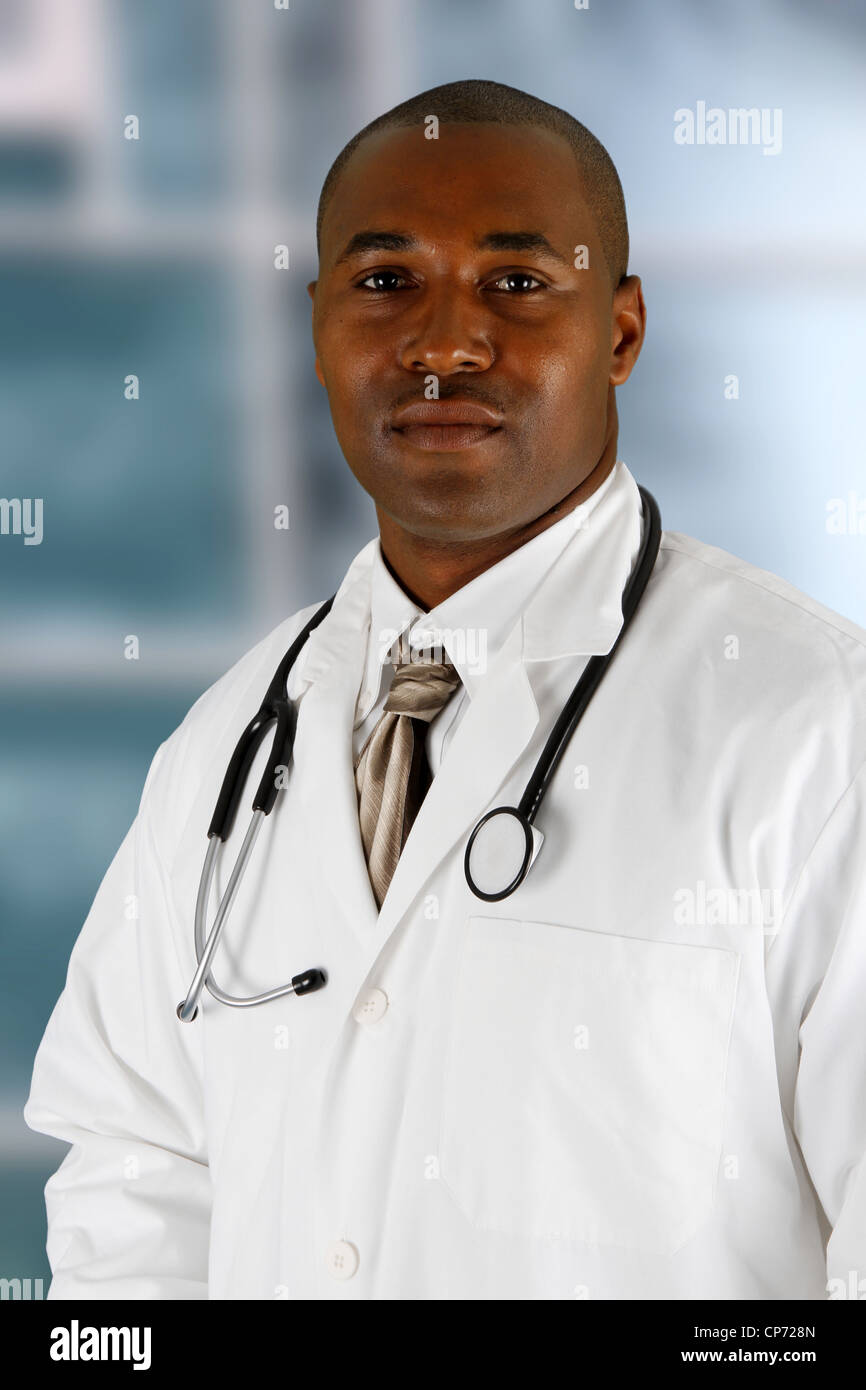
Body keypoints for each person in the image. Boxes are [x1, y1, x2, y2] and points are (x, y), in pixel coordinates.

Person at [25, 79, 866, 1301]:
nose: (442, 344)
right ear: (316, 331)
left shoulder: (814, 725)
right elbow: (132, 1175)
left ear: (621, 332)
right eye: (384, 283)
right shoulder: (223, 749)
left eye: (515, 284)